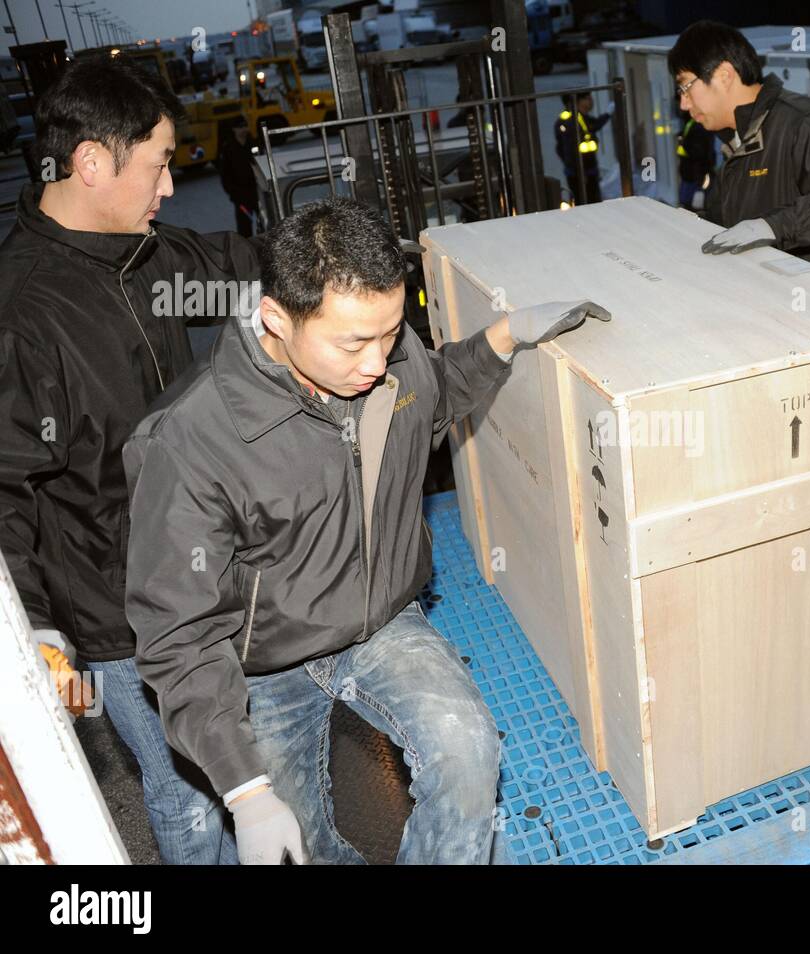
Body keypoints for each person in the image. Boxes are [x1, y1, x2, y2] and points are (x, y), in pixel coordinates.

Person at [123, 197, 612, 864]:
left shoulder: (388, 356)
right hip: (261, 665)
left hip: (382, 622)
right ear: (276, 318)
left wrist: (503, 337)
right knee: (302, 843)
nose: (379, 362)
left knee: (467, 753)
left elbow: (431, 394)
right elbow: (176, 634)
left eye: (390, 333)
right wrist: (244, 791)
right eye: (354, 341)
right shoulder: (191, 441)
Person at [0, 56, 260, 863]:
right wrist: (36, 630)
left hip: (197, 562)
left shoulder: (141, 252)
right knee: (186, 798)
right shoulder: (24, 316)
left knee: (235, 761)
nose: (171, 187)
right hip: (117, 615)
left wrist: (338, 261)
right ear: (90, 163)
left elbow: (229, 269)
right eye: (157, 165)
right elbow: (6, 488)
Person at [669, 20, 810, 291]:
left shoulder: (800, 122)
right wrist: (693, 224)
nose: (683, 103)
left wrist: (776, 227)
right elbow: (737, 221)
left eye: (685, 86)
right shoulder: (738, 139)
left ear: (724, 75)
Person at [554, 92, 610, 205]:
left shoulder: (579, 117)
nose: (590, 102)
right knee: (586, 202)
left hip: (587, 170)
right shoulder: (570, 121)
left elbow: (593, 124)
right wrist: (580, 172)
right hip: (579, 172)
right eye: (586, 99)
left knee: (591, 200)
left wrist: (608, 114)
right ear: (575, 102)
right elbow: (568, 150)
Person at [218, 118, 259, 238]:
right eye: (240, 127)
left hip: (257, 191)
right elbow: (225, 174)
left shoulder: (253, 143)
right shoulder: (228, 148)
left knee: (264, 221)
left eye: (245, 126)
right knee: (244, 226)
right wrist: (233, 193)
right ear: (233, 129)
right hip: (240, 194)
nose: (243, 130)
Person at [676, 107, 714, 211]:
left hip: (694, 171)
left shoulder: (698, 126)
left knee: (691, 203)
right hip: (690, 170)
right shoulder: (692, 124)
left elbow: (698, 150)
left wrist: (684, 143)